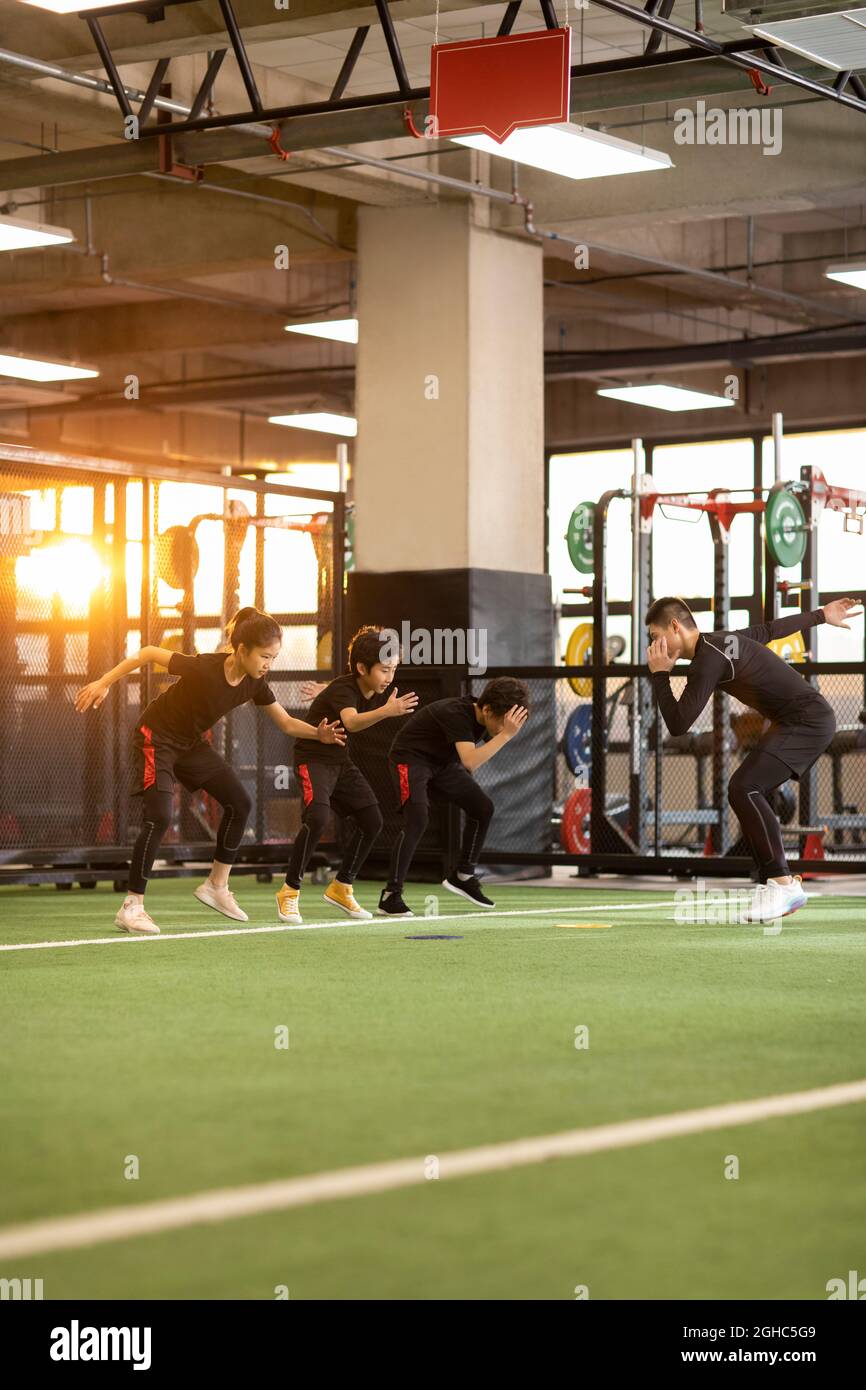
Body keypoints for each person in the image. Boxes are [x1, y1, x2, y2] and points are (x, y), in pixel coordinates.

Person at [75, 606, 345, 935]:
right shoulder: (204, 667)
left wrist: (319, 733)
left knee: (240, 802)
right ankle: (132, 906)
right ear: (242, 650)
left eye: (273, 658)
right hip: (156, 739)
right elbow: (147, 652)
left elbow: (286, 722)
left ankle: (217, 886)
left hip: (190, 744)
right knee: (159, 816)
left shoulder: (255, 683)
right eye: (264, 656)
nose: (268, 664)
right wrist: (104, 682)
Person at [646, 595, 862, 922]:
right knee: (745, 789)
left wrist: (661, 675)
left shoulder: (707, 659)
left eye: (654, 636)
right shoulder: (722, 642)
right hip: (796, 720)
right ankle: (772, 883)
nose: (653, 646)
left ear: (675, 626)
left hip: (808, 720)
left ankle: (782, 883)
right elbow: (770, 629)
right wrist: (821, 614)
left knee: (744, 788)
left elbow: (678, 725)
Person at [276, 626, 418, 925]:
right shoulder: (347, 689)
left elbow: (345, 694)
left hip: (339, 761)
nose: (390, 677)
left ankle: (342, 886)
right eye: (384, 670)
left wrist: (325, 690)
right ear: (362, 668)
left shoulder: (364, 687)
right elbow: (351, 723)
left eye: (394, 669)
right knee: (316, 818)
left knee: (372, 820)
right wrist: (388, 711)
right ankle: (289, 891)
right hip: (312, 758)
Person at [379, 678, 530, 918]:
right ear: (488, 709)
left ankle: (463, 876)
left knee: (482, 808)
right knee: (417, 819)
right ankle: (391, 896)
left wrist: (503, 731)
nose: (503, 729)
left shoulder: (487, 718)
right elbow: (470, 761)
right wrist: (506, 736)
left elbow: (470, 760)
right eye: (502, 723)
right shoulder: (456, 713)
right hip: (410, 758)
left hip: (442, 764)